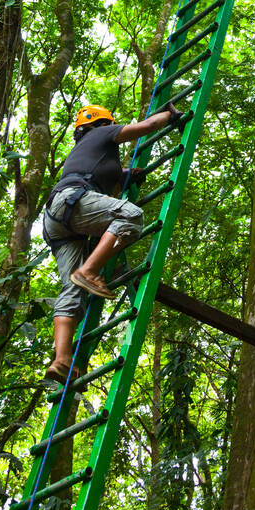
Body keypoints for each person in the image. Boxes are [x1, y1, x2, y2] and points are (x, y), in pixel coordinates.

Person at [39, 102, 182, 383]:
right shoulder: (102, 134)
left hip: (57, 219)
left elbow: (102, 178)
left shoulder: (87, 153)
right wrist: (169, 114)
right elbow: (148, 127)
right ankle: (90, 271)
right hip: (74, 201)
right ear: (103, 124)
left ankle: (62, 360)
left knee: (71, 289)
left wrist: (127, 175)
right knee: (131, 216)